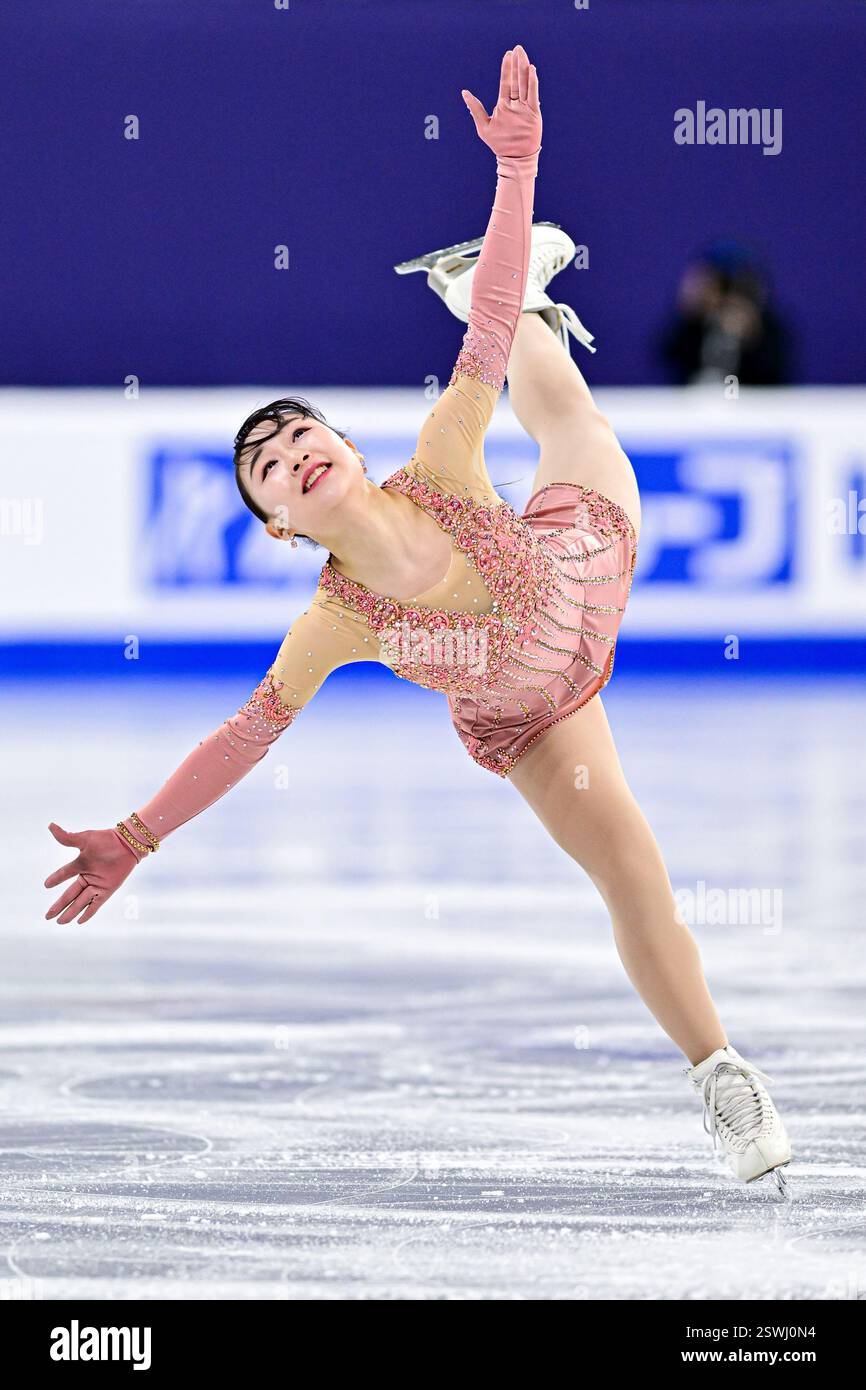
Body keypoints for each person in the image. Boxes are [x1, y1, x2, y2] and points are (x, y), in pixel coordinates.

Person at [44, 46, 791, 1194]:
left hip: (579, 548)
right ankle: (721, 1076)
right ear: (280, 524)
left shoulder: (439, 460)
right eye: (265, 466)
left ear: (342, 445)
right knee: (631, 873)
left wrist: (516, 172)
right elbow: (242, 735)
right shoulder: (333, 622)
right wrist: (138, 836)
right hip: (535, 709)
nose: (288, 452)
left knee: (548, 384)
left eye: (297, 434)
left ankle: (530, 275)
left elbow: (479, 333)